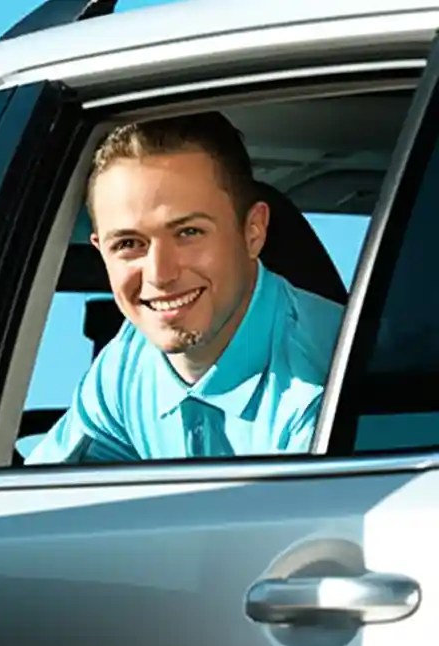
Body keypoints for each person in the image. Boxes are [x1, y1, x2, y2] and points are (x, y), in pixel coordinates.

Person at [26, 111, 344, 464]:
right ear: (102, 252)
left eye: (188, 233)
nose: (160, 275)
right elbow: (35, 501)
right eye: (129, 244)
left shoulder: (324, 386)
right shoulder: (128, 360)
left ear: (253, 232)